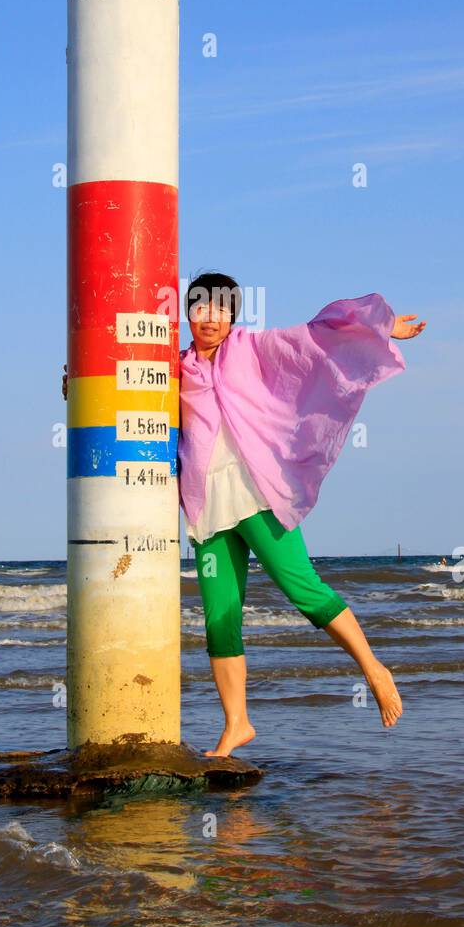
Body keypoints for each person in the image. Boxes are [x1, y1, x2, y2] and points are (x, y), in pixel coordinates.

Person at [178, 272, 425, 756]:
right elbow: (127, 386)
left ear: (232, 315)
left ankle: (374, 668)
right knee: (219, 618)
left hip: (257, 493)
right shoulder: (178, 367)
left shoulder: (252, 348)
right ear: (188, 312)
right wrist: (74, 384)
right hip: (206, 504)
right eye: (200, 307)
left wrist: (379, 326)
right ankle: (237, 724)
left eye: (220, 309)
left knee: (301, 589)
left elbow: (315, 338)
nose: (209, 318)